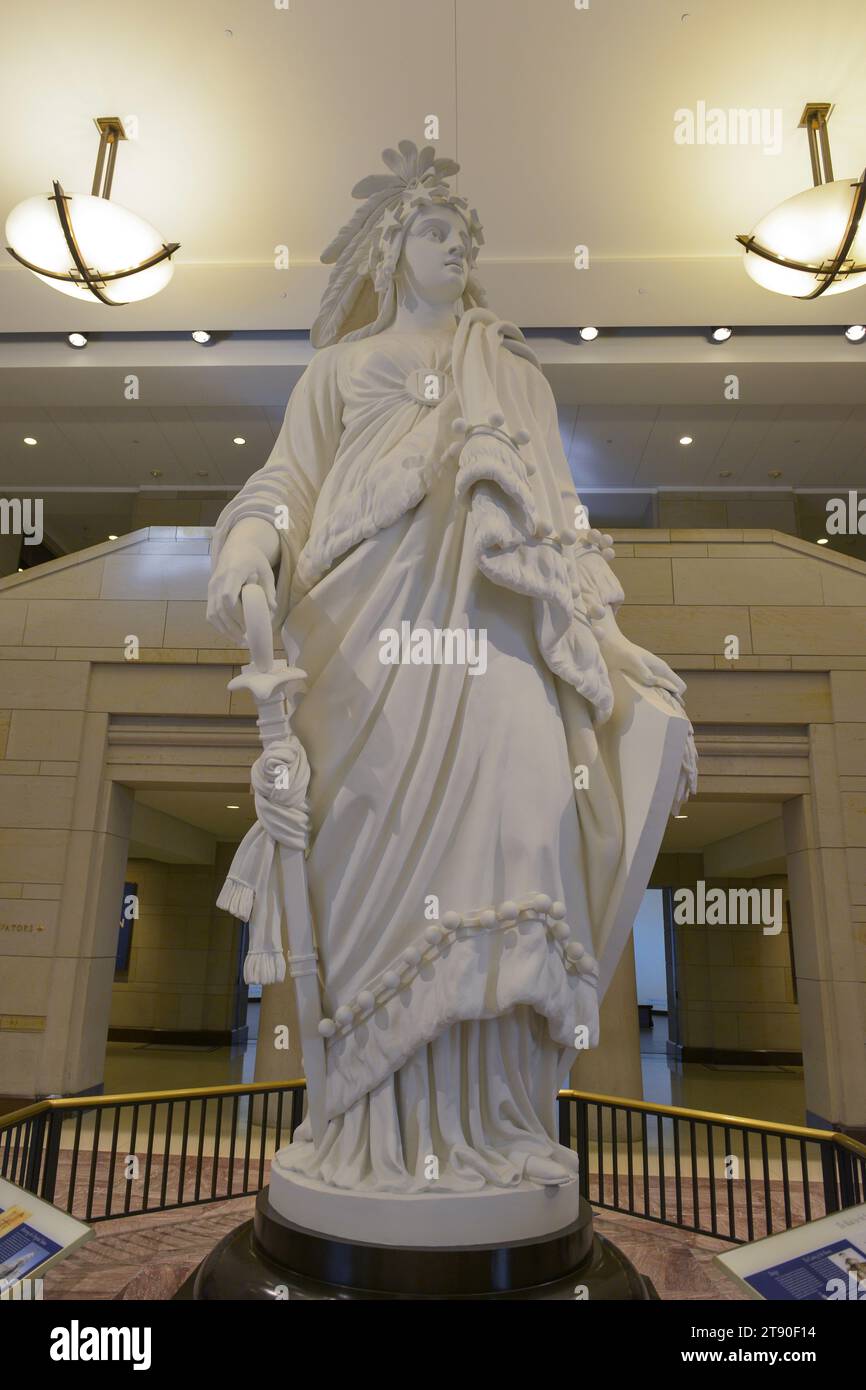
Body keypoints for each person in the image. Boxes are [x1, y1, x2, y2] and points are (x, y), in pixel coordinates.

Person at [207, 141, 696, 1194]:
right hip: (363, 644)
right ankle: (364, 1135)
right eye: (436, 230)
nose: (456, 247)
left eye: (465, 237)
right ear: (392, 249)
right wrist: (250, 543)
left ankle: (500, 1122)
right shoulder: (336, 370)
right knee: (375, 848)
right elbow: (287, 482)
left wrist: (609, 647)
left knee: (525, 827)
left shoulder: (508, 371)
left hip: (493, 630)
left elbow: (556, 527)